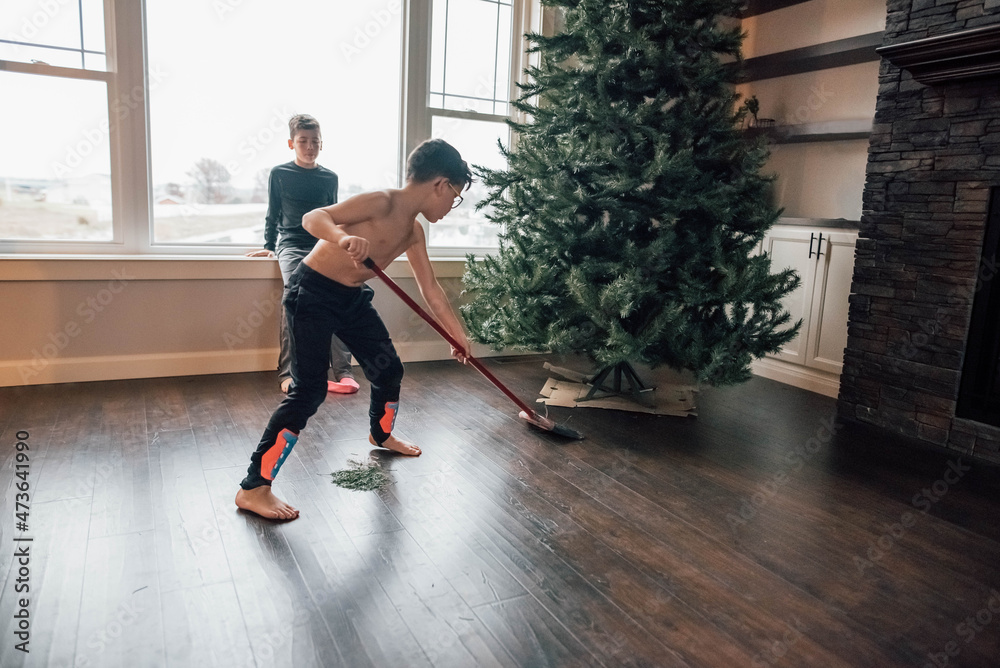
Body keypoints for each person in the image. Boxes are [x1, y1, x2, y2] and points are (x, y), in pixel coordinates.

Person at [236, 139, 473, 520]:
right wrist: (343, 237)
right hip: (311, 292)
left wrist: (456, 335)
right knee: (308, 391)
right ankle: (254, 488)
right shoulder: (382, 202)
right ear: (441, 185)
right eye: (455, 197)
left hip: (350, 299)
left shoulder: (413, 232)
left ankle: (380, 435)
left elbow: (431, 289)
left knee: (389, 369)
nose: (450, 207)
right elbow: (313, 218)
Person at [246, 114, 359, 395]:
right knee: (295, 297)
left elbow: (333, 217)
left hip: (323, 244)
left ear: (322, 144)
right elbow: (273, 214)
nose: (310, 147)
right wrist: (270, 246)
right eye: (303, 141)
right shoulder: (280, 174)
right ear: (291, 143)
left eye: (315, 142)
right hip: (292, 245)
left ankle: (343, 371)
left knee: (339, 294)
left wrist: (340, 243)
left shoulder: (329, 177)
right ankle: (288, 372)